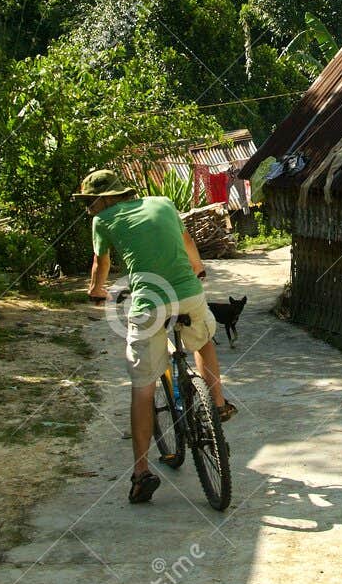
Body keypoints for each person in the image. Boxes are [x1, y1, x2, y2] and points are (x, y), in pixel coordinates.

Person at [76, 169, 236, 504]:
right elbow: (188, 244)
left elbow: (100, 264)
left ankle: (141, 474)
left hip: (149, 304)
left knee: (143, 388)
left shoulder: (102, 220)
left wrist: (95, 290)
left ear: (105, 198)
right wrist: (198, 269)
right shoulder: (163, 203)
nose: (89, 208)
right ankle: (218, 405)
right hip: (188, 293)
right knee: (203, 338)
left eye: (90, 201)